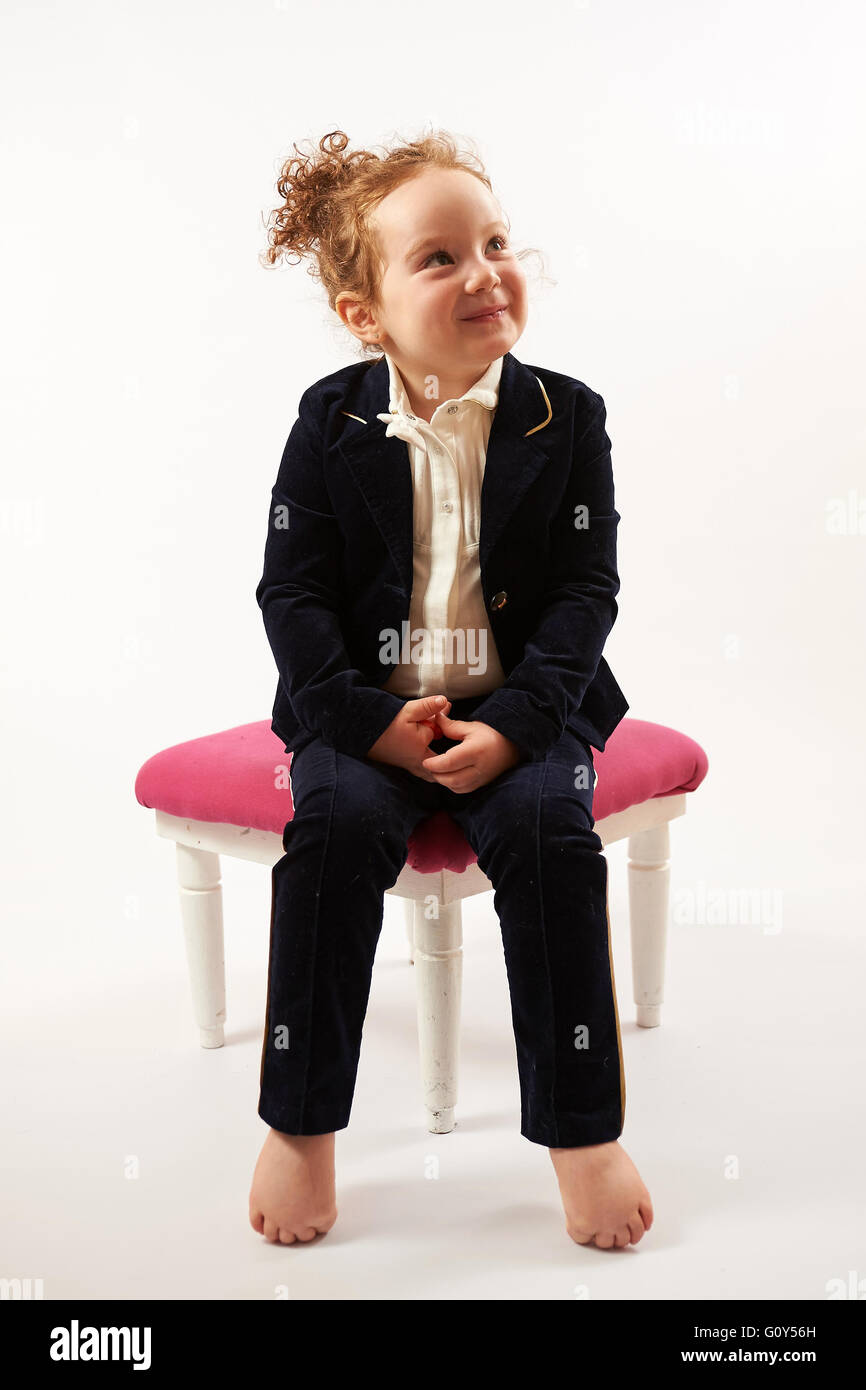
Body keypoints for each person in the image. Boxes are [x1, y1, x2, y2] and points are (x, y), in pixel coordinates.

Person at [248, 128, 653, 1250]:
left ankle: (581, 1132)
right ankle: (300, 1124)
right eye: (437, 258)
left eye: (493, 241)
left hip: (521, 706)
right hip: (365, 713)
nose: (484, 271)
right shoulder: (327, 420)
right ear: (362, 313)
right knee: (326, 839)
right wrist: (369, 725)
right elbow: (292, 596)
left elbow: (585, 588)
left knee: (547, 842)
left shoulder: (563, 416)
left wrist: (518, 727)